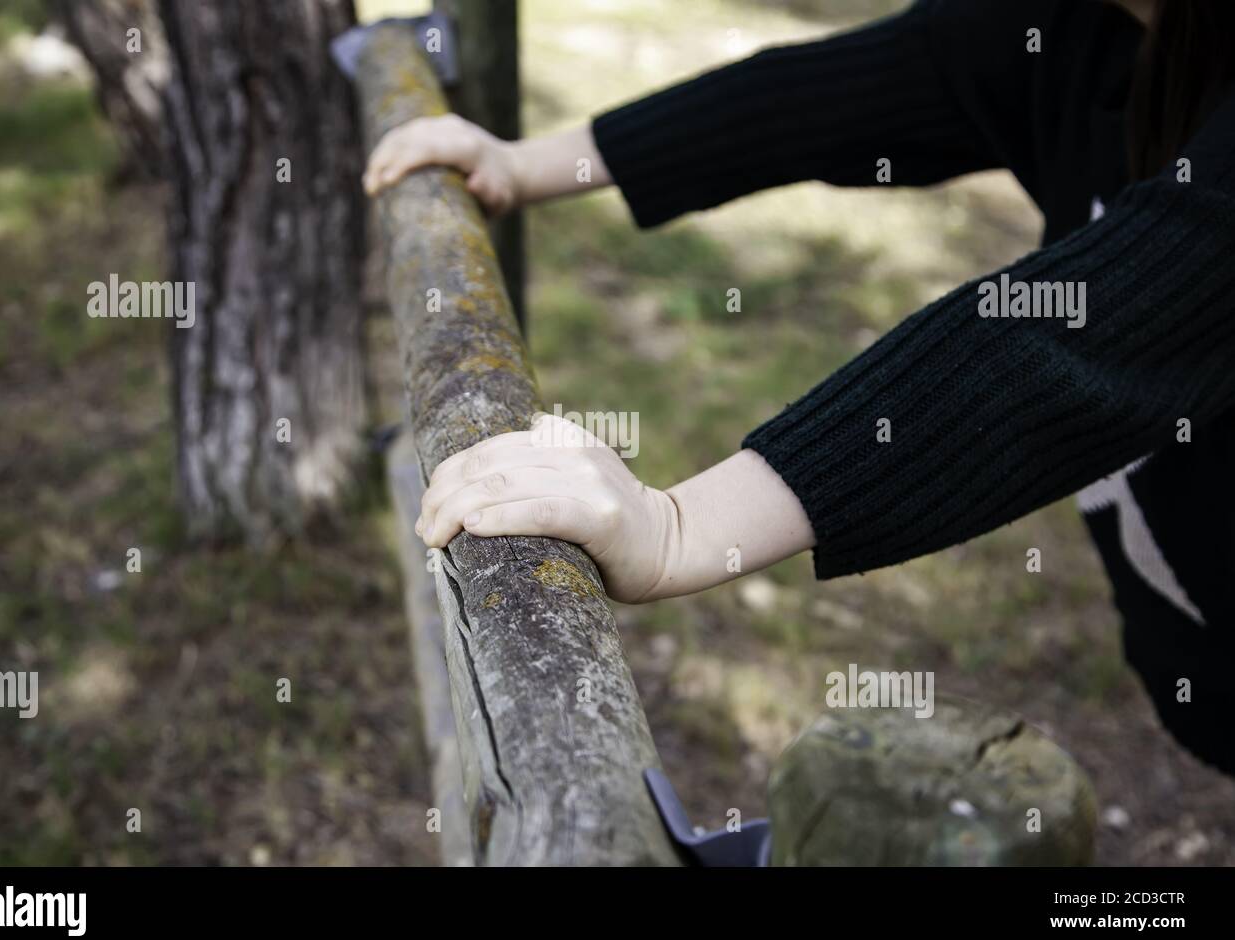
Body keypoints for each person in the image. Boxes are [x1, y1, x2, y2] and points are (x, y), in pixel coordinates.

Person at [364, 0, 1235, 775]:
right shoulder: (1084, 25)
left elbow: (1085, 326)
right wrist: (526, 166)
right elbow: (825, 96)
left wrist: (682, 528)